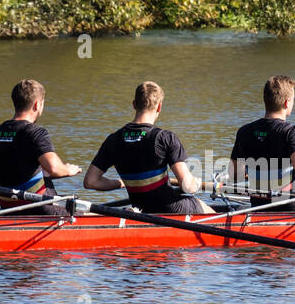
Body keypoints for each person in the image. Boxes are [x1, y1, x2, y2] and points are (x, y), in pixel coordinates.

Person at [84, 81, 212, 213]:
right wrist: (194, 183)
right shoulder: (165, 138)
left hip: (139, 210)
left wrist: (121, 183)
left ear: (134, 104)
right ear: (159, 107)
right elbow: (187, 186)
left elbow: (91, 182)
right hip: (169, 209)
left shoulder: (113, 140)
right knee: (203, 206)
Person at [0, 79, 81, 216]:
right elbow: (55, 168)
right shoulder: (35, 132)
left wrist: (17, 176)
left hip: (8, 208)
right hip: (40, 207)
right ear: (37, 105)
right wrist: (68, 170)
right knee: (81, 212)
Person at [228, 75, 295, 211]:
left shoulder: (244, 132)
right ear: (287, 103)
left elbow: (234, 175)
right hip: (289, 207)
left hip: (258, 207)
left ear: (265, 100)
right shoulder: (292, 132)